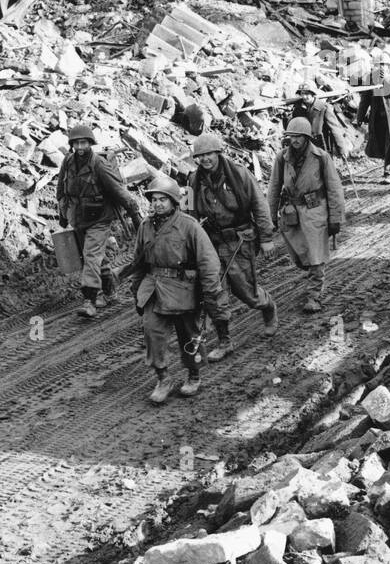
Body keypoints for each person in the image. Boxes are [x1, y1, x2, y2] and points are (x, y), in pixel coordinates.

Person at [130, 173, 222, 405]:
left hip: (184, 290)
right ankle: (163, 378)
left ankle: (193, 375)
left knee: (189, 336)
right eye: (154, 199)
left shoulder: (188, 226)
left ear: (173, 201)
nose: (157, 204)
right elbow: (139, 261)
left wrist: (210, 294)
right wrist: (136, 290)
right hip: (154, 288)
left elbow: (208, 262)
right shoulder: (145, 227)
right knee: (152, 333)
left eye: (163, 199)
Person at [188, 131, 278, 362]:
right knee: (213, 292)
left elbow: (259, 204)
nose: (205, 159)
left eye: (209, 154)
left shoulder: (239, 174)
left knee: (246, 291)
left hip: (239, 240)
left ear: (218, 152)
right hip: (211, 242)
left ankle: (267, 306)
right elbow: (188, 213)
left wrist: (266, 238)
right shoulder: (193, 181)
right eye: (201, 156)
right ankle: (225, 341)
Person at [55, 124, 144, 319]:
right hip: (78, 218)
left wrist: (135, 213)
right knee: (97, 259)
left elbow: (118, 190)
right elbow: (61, 190)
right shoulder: (68, 162)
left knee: (91, 256)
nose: (80, 147)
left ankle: (90, 301)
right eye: (76, 143)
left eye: (84, 143)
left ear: (90, 144)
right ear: (72, 145)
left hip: (100, 219)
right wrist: (63, 215)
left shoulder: (99, 164)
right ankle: (111, 293)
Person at [269, 117, 345, 313]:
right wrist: (270, 217)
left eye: (297, 137)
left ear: (306, 138)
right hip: (291, 213)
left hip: (315, 212)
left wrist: (335, 217)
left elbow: (334, 189)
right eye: (290, 137)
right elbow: (274, 187)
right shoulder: (282, 158)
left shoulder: (321, 158)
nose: (293, 141)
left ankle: (314, 297)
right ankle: (313, 279)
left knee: (316, 257)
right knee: (301, 256)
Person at [357, 52, 390, 184]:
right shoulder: (371, 77)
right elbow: (365, 98)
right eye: (378, 65)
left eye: (384, 65)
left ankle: (389, 172)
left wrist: (388, 79)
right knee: (381, 141)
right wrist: (360, 116)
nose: (381, 67)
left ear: (389, 65)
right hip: (377, 115)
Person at [282, 82, 349, 160]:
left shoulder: (323, 108)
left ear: (312, 94)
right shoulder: (299, 108)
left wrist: (342, 149)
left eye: (307, 94)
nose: (304, 96)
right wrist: (286, 115)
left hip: (321, 147)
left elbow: (335, 129)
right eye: (302, 93)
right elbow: (291, 128)